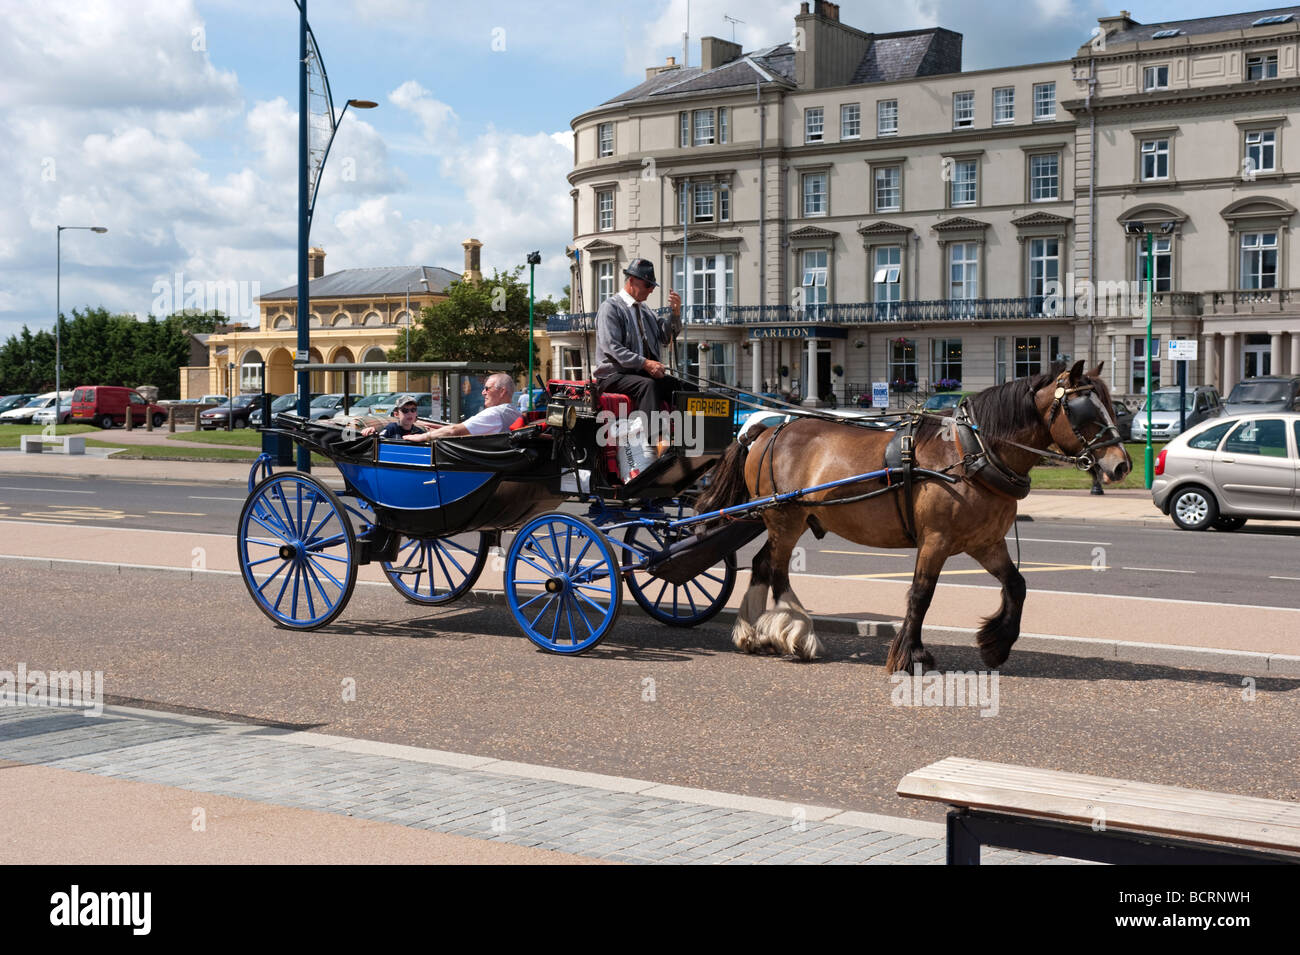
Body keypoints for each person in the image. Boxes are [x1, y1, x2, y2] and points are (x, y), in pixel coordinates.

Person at [592, 258, 691, 418]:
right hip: (613, 375)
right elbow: (612, 347)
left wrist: (675, 313)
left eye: (653, 285)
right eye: (648, 284)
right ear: (631, 280)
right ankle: (653, 438)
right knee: (648, 386)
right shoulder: (610, 308)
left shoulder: (645, 310)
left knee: (685, 388)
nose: (651, 289)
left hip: (640, 374)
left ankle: (694, 436)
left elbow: (666, 337)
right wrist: (645, 363)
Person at [404, 373, 521, 442]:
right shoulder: (513, 412)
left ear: (502, 392)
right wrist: (436, 427)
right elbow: (465, 429)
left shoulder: (494, 413)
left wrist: (423, 436)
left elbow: (453, 431)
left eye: (487, 388)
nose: (483, 392)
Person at [360, 395, 425, 439]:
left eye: (413, 410)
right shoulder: (392, 428)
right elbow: (379, 441)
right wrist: (373, 432)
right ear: (396, 414)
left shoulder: (419, 432)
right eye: (405, 410)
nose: (410, 413)